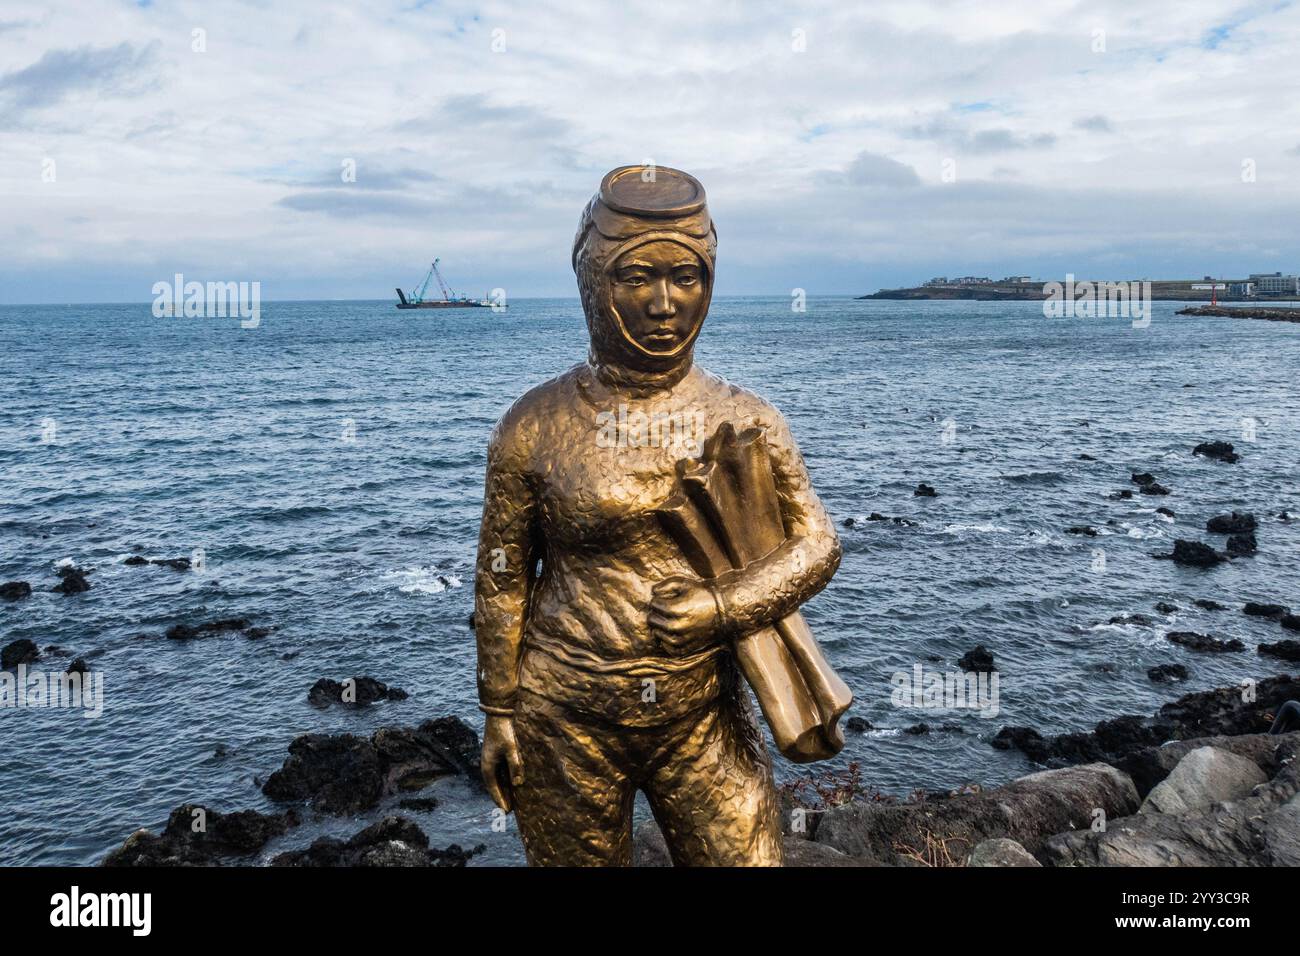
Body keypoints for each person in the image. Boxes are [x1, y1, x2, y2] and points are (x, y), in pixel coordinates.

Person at [473, 165, 842, 866]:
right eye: (637, 277)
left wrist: (720, 604)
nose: (664, 302)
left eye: (687, 276)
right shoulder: (530, 426)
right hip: (563, 719)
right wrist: (496, 710)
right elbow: (501, 578)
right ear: (592, 281)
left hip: (704, 712)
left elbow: (817, 543)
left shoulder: (745, 419)